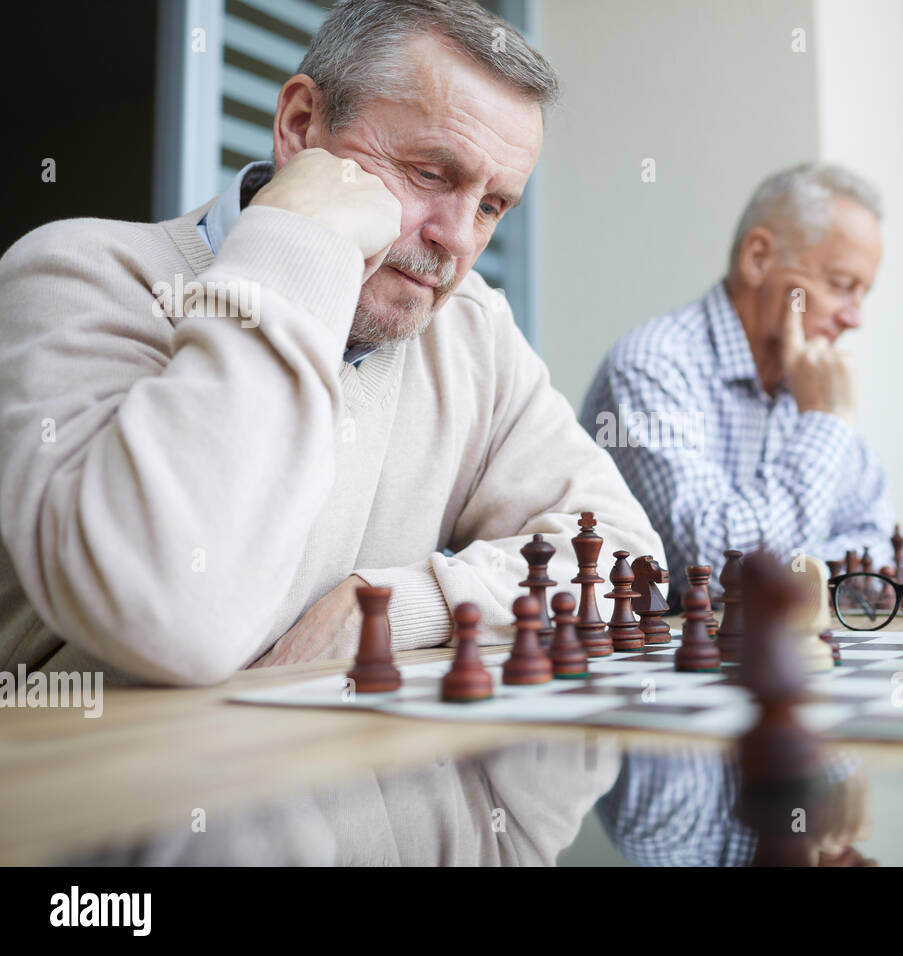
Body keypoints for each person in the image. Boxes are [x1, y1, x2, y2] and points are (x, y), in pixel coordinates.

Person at [0, 0, 663, 686]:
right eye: (431, 174)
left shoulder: (473, 331)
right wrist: (301, 242)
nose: (460, 239)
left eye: (492, 205)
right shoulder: (77, 275)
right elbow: (175, 615)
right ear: (298, 126)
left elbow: (631, 567)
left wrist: (392, 610)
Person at [580, 163, 893, 602]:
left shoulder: (808, 377)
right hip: (668, 665)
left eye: (864, 294)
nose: (854, 318)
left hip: (786, 654)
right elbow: (715, 564)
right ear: (758, 258)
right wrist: (824, 422)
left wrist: (790, 574)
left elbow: (877, 545)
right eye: (842, 285)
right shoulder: (653, 364)